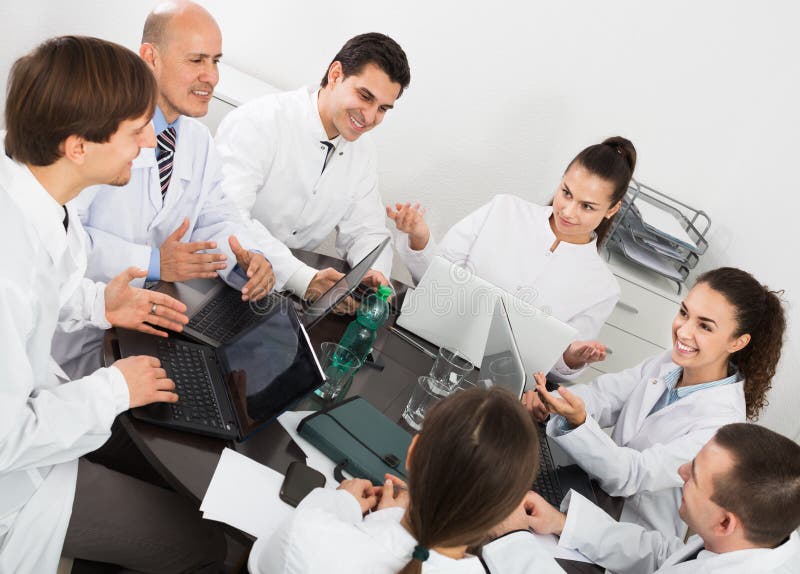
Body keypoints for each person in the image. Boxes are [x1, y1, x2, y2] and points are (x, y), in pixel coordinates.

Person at [0, 35, 224, 573]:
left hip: (50, 409)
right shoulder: (7, 259)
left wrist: (103, 303)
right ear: (78, 147)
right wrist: (115, 386)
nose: (150, 141)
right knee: (204, 547)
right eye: (135, 129)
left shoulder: (38, 201)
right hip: (18, 478)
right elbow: (8, 440)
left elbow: (47, 286)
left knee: (182, 472)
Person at [55, 0, 287, 378]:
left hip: (142, 326)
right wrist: (154, 261)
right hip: (70, 335)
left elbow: (216, 217)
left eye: (216, 61)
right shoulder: (99, 130)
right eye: (196, 60)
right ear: (151, 57)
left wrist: (247, 258)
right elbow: (63, 234)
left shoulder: (198, 141)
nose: (211, 76)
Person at [524, 267, 786, 538]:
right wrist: (549, 401)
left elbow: (632, 476)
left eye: (705, 326)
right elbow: (604, 396)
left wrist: (577, 421)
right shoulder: (669, 362)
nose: (683, 332)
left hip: (625, 530)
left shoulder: (721, 423)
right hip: (590, 486)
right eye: (684, 313)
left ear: (737, 341)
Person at [388, 137, 636, 378]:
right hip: (427, 346)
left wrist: (573, 357)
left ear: (612, 209)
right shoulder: (504, 209)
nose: (568, 211)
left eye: (587, 206)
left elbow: (557, 366)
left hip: (495, 388)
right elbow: (435, 280)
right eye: (566, 193)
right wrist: (419, 237)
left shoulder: (602, 288)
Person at [248, 387, 566, 573]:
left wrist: (342, 503)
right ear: (507, 511)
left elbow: (263, 560)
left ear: (412, 453)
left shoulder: (308, 534)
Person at [215, 32, 411, 300]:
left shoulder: (363, 153)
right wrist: (300, 277)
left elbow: (367, 230)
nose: (369, 117)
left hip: (277, 294)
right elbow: (228, 216)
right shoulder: (259, 121)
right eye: (365, 96)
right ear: (335, 74)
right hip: (217, 275)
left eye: (383, 109)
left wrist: (374, 275)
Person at [523, 423, 800, 573]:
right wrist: (563, 522)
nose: (681, 471)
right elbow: (668, 556)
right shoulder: (760, 537)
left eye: (694, 476)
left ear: (725, 524)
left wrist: (509, 542)